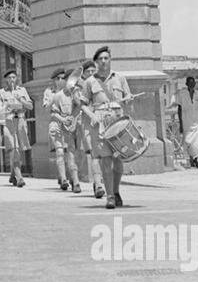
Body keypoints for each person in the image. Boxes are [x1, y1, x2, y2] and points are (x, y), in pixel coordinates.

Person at [82, 46, 133, 210]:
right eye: (100, 59)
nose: (103, 61)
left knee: (118, 161)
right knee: (105, 160)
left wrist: (130, 100)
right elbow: (83, 105)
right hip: (101, 123)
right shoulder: (90, 82)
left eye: (106, 58)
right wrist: (92, 116)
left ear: (110, 59)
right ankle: (109, 196)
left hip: (118, 122)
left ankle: (116, 191)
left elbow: (128, 99)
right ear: (96, 62)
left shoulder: (120, 78)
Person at [42, 69, 79, 192]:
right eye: (57, 78)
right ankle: (63, 179)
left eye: (62, 78)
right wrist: (53, 99)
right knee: (59, 152)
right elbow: (47, 108)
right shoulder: (50, 92)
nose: (60, 81)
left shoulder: (72, 90)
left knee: (71, 152)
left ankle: (72, 178)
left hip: (69, 124)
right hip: (56, 123)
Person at [0, 68, 33, 187]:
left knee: (19, 148)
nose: (11, 80)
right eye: (9, 78)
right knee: (13, 148)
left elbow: (30, 106)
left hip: (20, 120)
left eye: (13, 77)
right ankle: (19, 177)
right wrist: (6, 106)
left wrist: (20, 100)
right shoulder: (1, 92)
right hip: (8, 121)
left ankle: (13, 174)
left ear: (16, 78)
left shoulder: (22, 90)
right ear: (6, 80)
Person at [74, 60, 106, 198]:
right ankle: (98, 184)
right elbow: (79, 103)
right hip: (88, 122)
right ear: (84, 73)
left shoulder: (100, 83)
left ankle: (99, 181)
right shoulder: (80, 86)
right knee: (95, 153)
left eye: (94, 71)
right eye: (89, 71)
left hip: (103, 121)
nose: (92, 73)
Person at [176, 76, 198, 167]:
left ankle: (196, 159)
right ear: (187, 84)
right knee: (188, 141)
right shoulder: (182, 94)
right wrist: (181, 124)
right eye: (190, 83)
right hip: (187, 121)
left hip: (197, 122)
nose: (192, 84)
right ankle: (191, 159)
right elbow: (179, 109)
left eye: (193, 83)